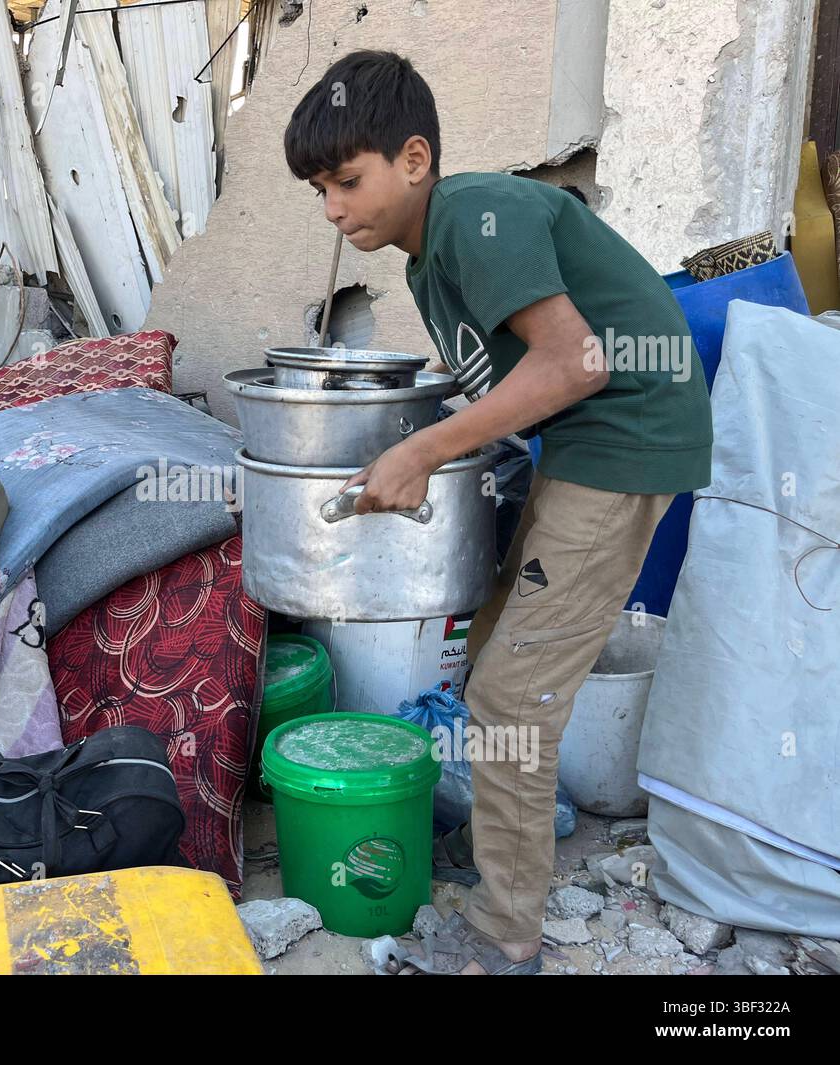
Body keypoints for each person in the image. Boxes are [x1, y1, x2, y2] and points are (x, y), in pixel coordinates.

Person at [284, 50, 713, 974]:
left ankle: (508, 927)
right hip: (584, 441)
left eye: (347, 181)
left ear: (413, 159)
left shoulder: (481, 218)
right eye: (320, 190)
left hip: (624, 436)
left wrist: (420, 450)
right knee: (485, 643)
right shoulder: (425, 261)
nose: (332, 210)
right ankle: (495, 837)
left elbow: (576, 363)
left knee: (516, 689)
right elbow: (501, 380)